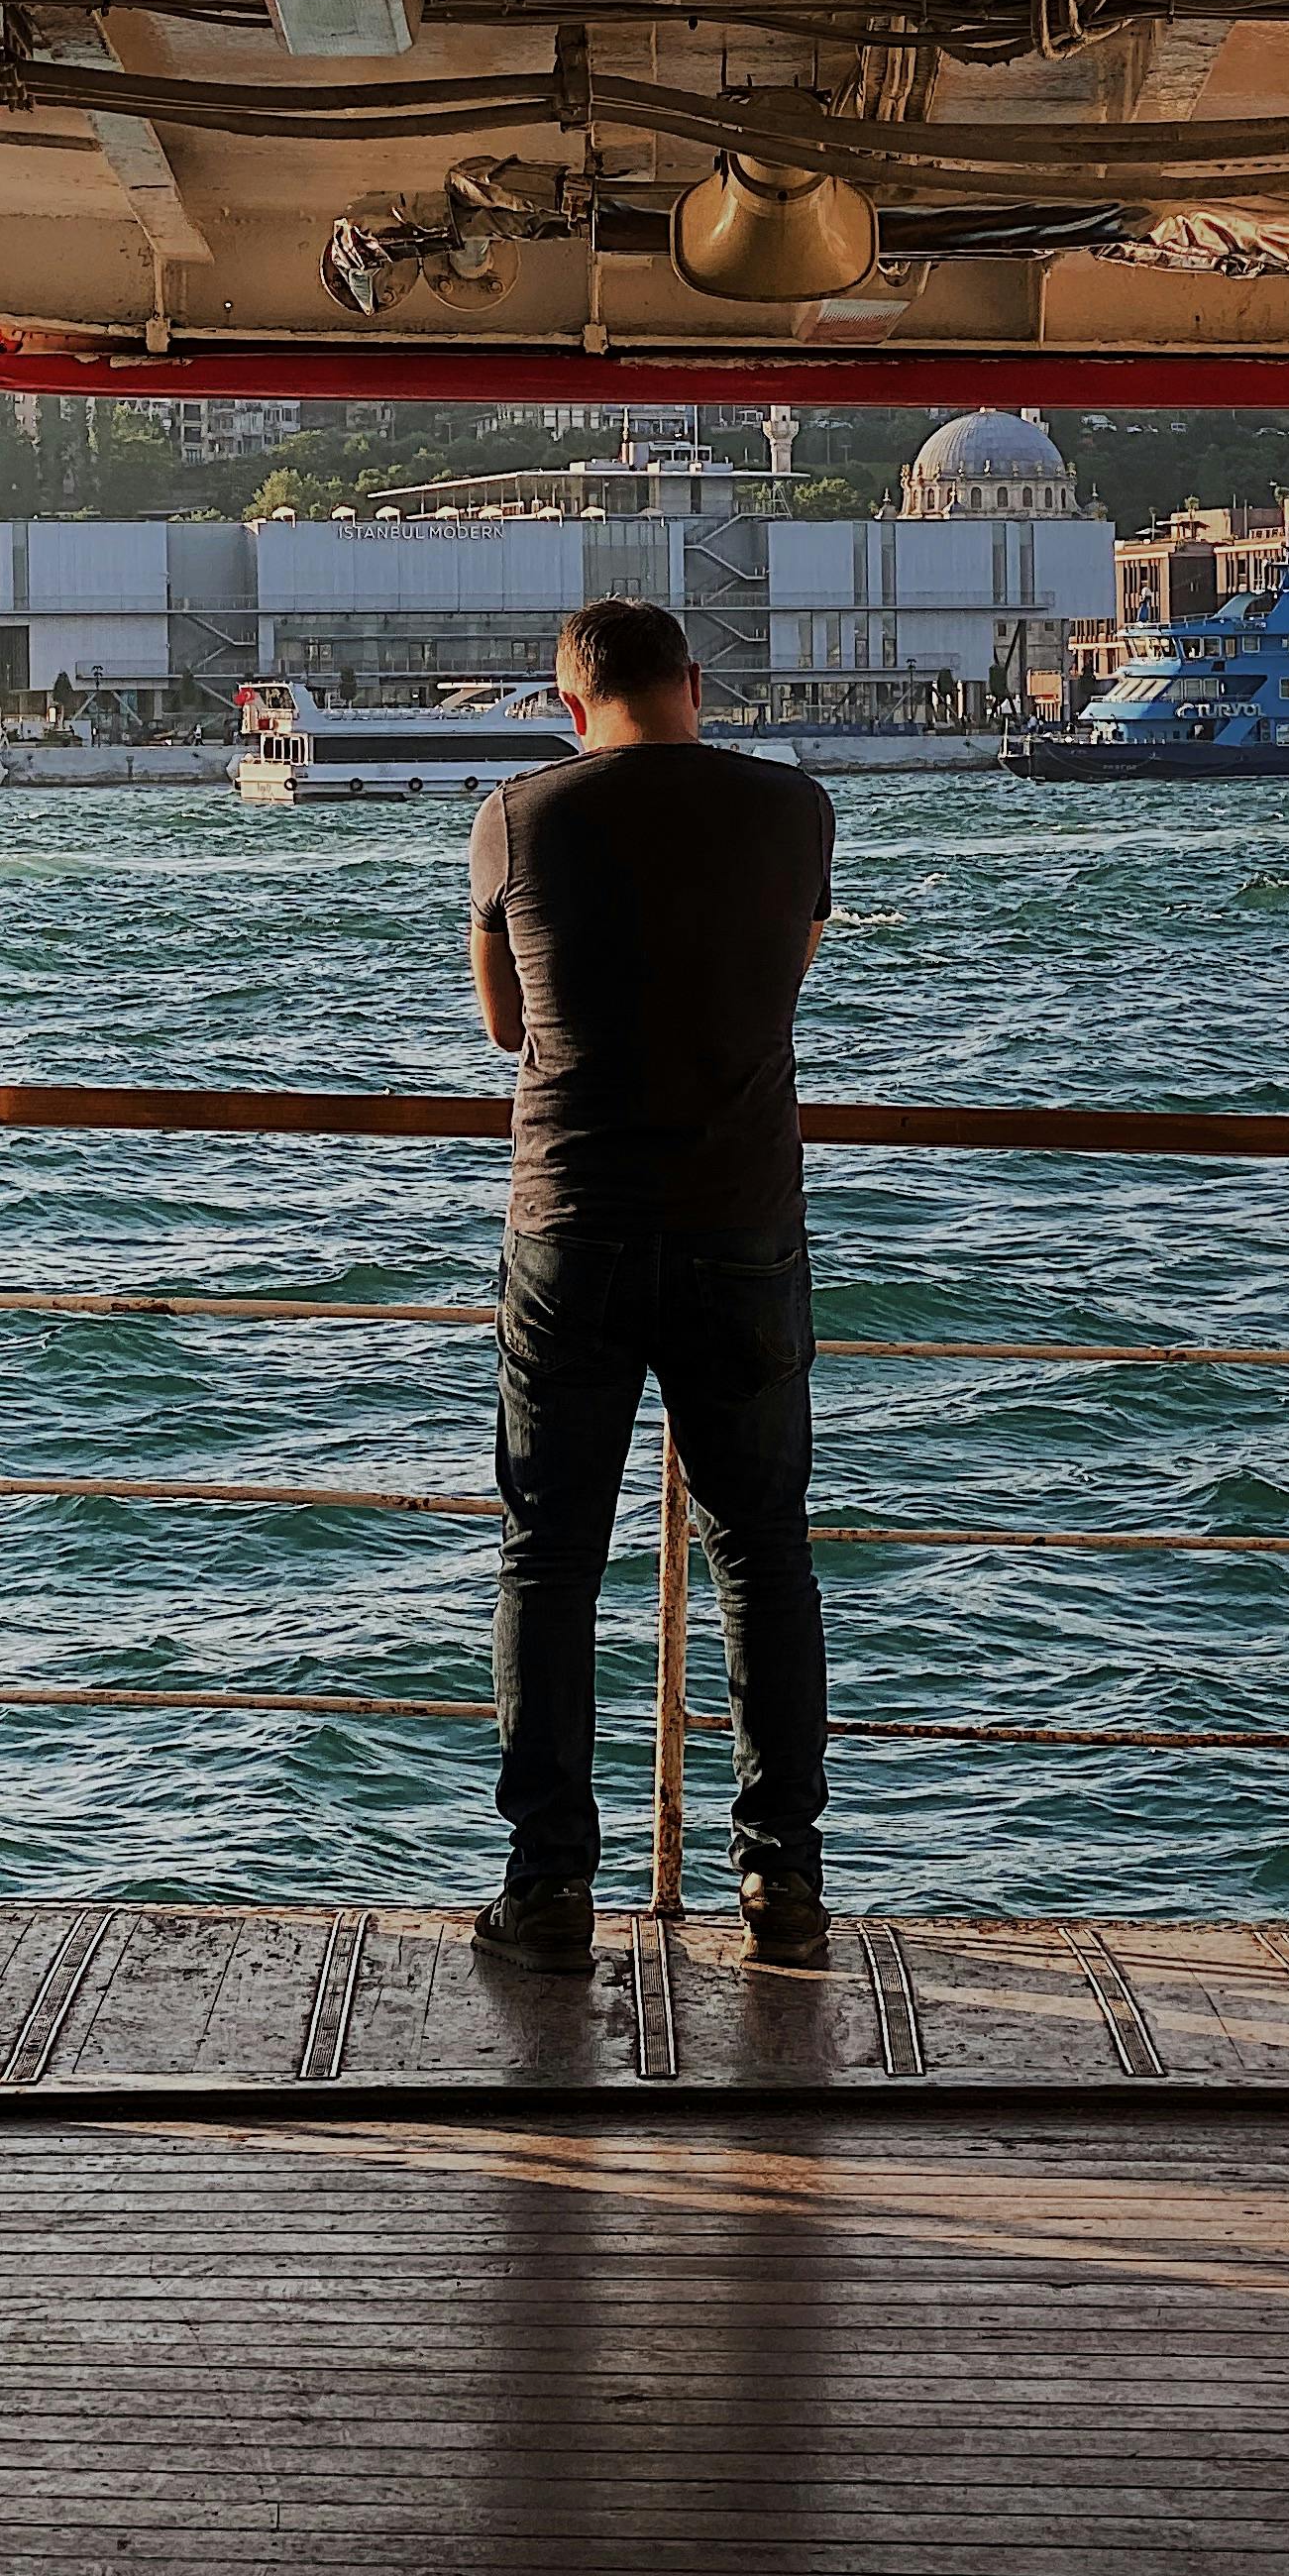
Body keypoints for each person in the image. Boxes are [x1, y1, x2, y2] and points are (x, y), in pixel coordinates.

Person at [465, 598, 837, 1971]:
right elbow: (781, 985)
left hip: (573, 1224)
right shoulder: (795, 812)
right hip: (741, 1225)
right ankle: (781, 1882)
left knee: (550, 1558)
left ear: (571, 704)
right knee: (764, 1554)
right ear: (694, 682)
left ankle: (550, 1885)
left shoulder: (519, 816)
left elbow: (508, 1026)